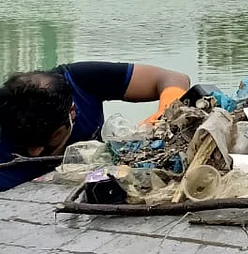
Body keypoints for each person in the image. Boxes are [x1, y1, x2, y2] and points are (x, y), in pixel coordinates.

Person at [0, 62, 191, 191]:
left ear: (72, 113)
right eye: (24, 143)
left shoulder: (80, 82)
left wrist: (161, 116)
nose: (35, 153)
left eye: (46, 141)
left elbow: (172, 78)